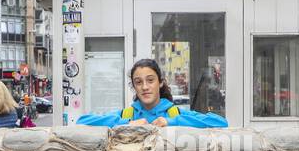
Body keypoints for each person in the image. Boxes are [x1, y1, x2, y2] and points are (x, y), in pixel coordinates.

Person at [78, 58, 228, 127]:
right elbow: (82, 121)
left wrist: (171, 122)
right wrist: (127, 124)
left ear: (160, 82)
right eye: (138, 82)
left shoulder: (175, 114)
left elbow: (220, 122)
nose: (144, 87)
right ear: (134, 86)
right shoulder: (127, 115)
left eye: (150, 80)